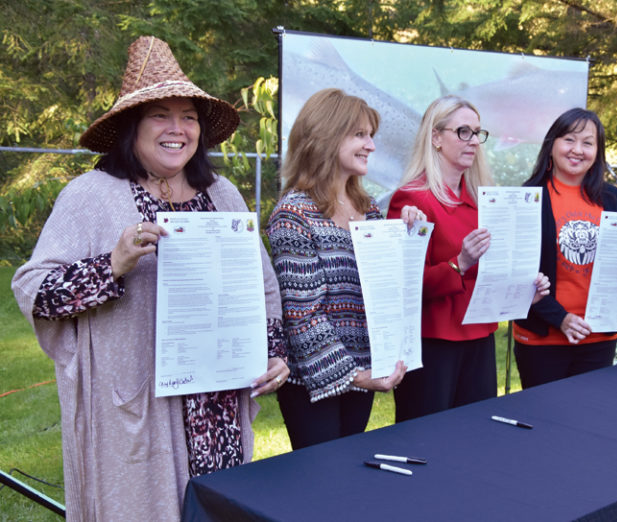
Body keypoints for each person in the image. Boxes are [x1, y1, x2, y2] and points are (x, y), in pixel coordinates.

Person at [12, 36, 288, 521]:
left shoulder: (221, 194)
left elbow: (260, 285)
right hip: (138, 411)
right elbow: (34, 290)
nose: (177, 129)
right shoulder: (92, 196)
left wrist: (273, 351)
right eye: (160, 115)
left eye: (189, 117)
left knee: (218, 510)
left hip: (218, 404)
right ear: (131, 127)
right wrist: (111, 264)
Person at [267, 88, 425, 449]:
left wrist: (409, 237)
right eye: (360, 134)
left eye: (371, 135)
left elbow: (384, 289)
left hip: (363, 371)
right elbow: (302, 314)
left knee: (350, 476)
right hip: (315, 381)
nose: (371, 145)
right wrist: (355, 376)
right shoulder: (294, 214)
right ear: (326, 135)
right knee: (321, 485)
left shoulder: (366, 209)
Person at [387, 95, 550, 422]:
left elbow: (490, 277)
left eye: (478, 133)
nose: (474, 141)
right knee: (427, 443)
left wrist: (524, 292)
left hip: (479, 339)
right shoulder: (412, 200)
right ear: (436, 137)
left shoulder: (482, 201)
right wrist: (458, 264)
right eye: (463, 132)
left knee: (474, 440)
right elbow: (404, 288)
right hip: (432, 346)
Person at [513, 107, 617, 389]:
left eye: (588, 143)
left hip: (598, 338)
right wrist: (561, 319)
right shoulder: (528, 197)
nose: (577, 150)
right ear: (551, 145)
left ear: (597, 152)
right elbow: (518, 273)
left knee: (589, 423)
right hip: (544, 339)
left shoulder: (613, 199)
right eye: (569, 139)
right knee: (545, 423)